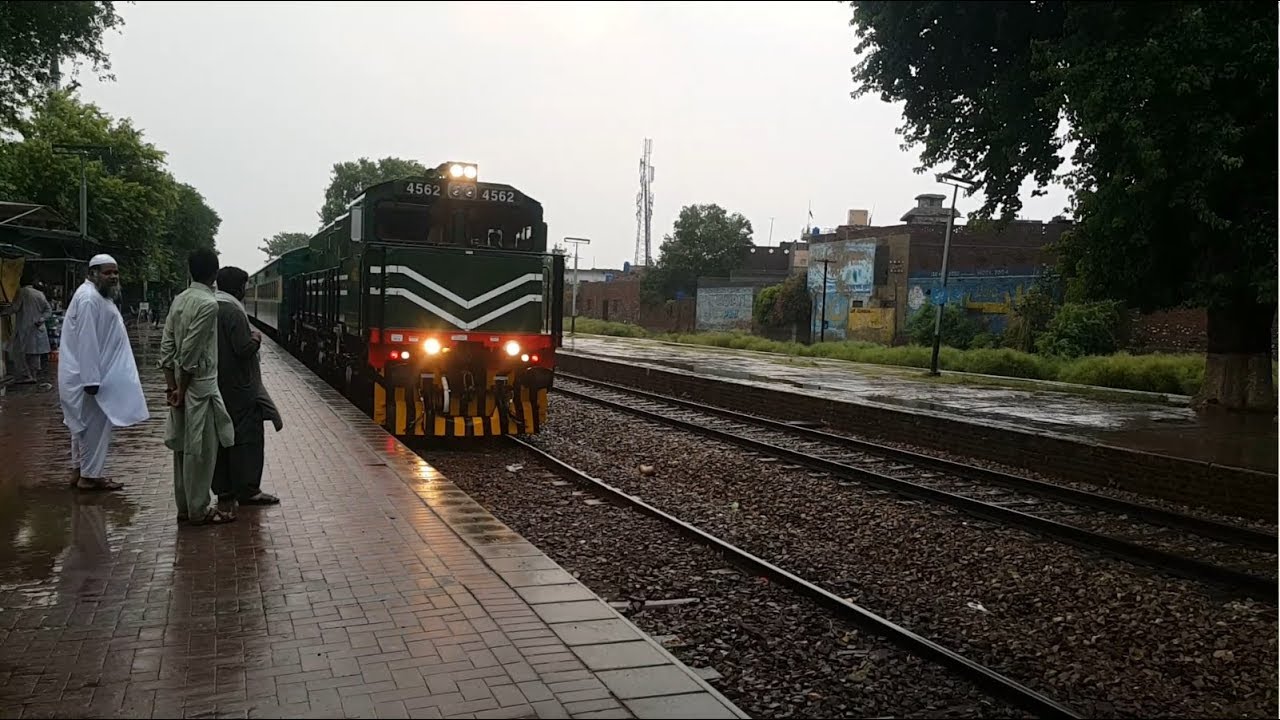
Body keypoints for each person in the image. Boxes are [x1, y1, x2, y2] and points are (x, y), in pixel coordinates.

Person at [58, 255, 149, 491]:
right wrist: (91, 380)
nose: (113, 276)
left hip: (95, 374)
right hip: (90, 377)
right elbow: (87, 341)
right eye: (107, 272)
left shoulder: (97, 296)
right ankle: (90, 477)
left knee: (82, 427)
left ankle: (79, 471)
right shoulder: (89, 299)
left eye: (115, 272)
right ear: (92, 273)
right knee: (94, 428)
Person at [160, 249, 236, 525]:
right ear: (214, 273)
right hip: (199, 387)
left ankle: (185, 507)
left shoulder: (179, 300)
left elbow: (167, 347)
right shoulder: (209, 304)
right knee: (202, 453)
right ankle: (199, 509)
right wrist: (182, 388)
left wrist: (172, 387)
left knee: (182, 451)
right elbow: (190, 353)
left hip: (181, 386)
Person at [212, 266, 283, 507]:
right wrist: (255, 338)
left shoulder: (212, 305)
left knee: (222, 437)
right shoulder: (232, 310)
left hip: (220, 383)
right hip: (240, 388)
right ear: (240, 288)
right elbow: (242, 349)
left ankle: (224, 488)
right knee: (248, 438)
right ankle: (249, 489)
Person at [1, 273, 52, 383]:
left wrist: (3, 312)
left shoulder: (22, 292)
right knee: (34, 353)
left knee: (18, 351)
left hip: (25, 328)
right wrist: (41, 319)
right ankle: (33, 376)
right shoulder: (40, 294)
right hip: (37, 327)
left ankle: (26, 375)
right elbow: (48, 310)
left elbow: (14, 307)